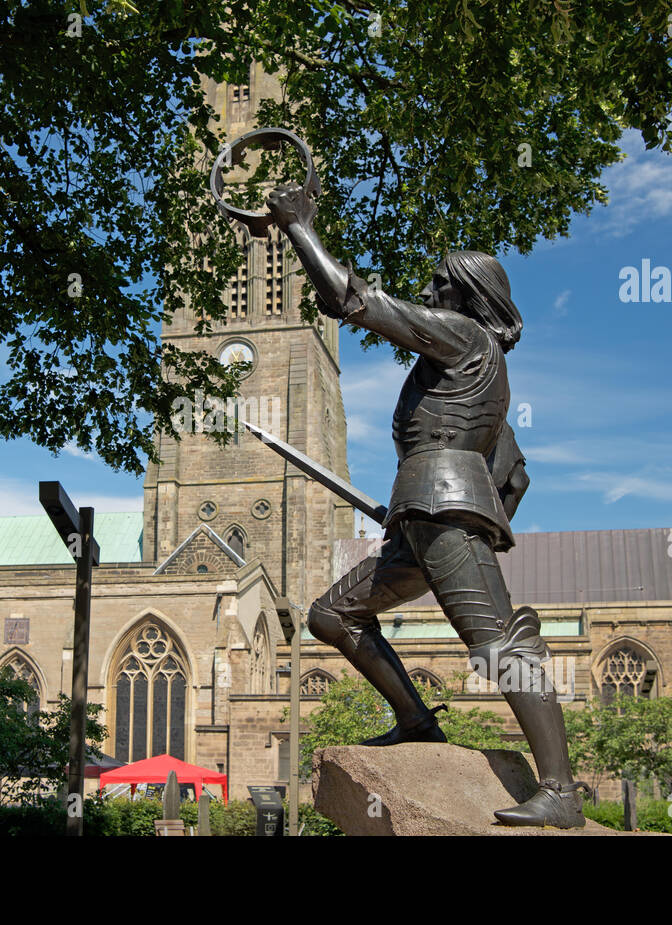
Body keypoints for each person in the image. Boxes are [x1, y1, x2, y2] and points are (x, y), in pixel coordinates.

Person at [265, 183, 588, 827]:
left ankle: (559, 790)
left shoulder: (467, 336)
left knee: (499, 646)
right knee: (331, 616)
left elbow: (350, 298)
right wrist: (461, 514)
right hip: (424, 520)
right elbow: (515, 477)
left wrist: (300, 226)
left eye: (441, 283)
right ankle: (416, 720)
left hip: (440, 517)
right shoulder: (482, 371)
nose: (432, 292)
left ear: (467, 294)